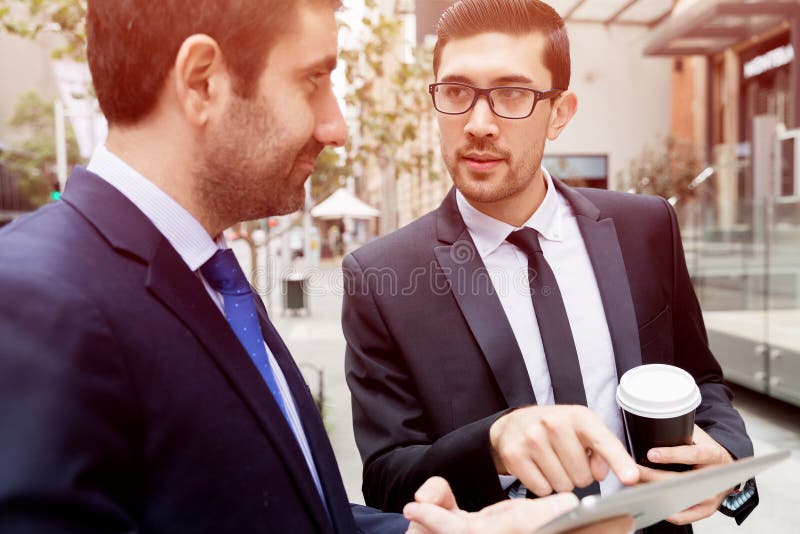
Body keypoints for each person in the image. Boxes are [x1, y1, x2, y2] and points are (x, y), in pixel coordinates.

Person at [0, 1, 635, 533]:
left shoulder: (206, 274)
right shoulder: (37, 300)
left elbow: (290, 509)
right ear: (201, 82)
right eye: (314, 79)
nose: (336, 126)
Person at [342, 0, 758, 532]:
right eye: (456, 92)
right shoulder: (381, 276)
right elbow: (385, 478)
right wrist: (491, 445)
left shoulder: (646, 227)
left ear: (559, 112)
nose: (478, 123)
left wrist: (724, 456)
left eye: (512, 93)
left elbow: (700, 379)